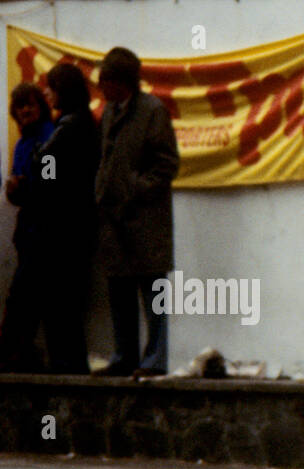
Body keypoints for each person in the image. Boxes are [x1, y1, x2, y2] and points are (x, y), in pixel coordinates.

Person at [93, 47, 180, 378]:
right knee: (119, 293)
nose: (102, 88)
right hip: (114, 223)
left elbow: (167, 165)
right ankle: (123, 356)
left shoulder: (153, 111)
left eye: (107, 81)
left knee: (153, 294)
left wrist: (133, 188)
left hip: (146, 222)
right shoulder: (110, 112)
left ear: (123, 82)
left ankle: (155, 360)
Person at [20, 65, 100, 373]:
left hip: (62, 230)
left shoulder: (70, 128)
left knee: (60, 303)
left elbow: (47, 171)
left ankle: (65, 367)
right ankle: (70, 364)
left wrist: (36, 163)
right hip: (76, 227)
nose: (45, 93)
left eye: (50, 87)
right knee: (68, 303)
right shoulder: (83, 124)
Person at [0, 82, 57, 372]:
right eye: (19, 106)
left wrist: (25, 188)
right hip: (27, 231)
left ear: (41, 107)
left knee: (28, 298)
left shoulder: (51, 137)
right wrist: (13, 190)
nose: (25, 110)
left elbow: (52, 182)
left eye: (30, 104)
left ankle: (16, 354)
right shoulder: (21, 144)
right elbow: (16, 185)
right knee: (23, 297)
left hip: (48, 231)